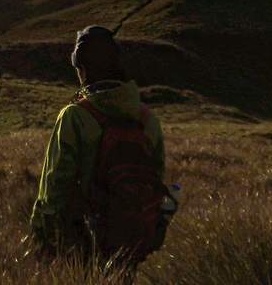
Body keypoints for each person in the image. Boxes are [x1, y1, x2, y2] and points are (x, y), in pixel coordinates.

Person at [28, 25, 168, 274]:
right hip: (133, 237)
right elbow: (157, 177)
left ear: (83, 69)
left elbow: (55, 186)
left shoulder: (74, 116)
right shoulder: (147, 119)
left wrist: (42, 237)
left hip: (83, 240)